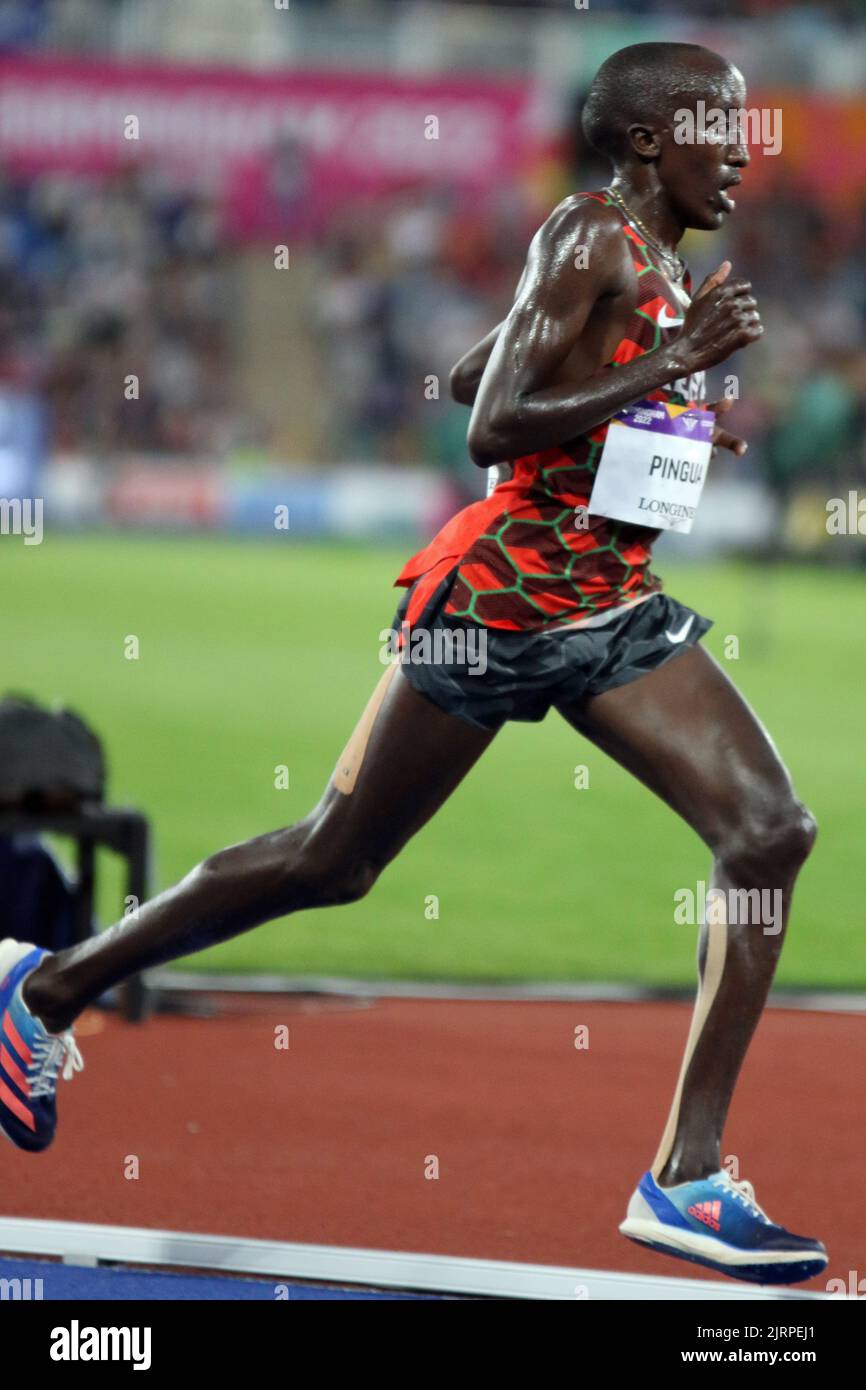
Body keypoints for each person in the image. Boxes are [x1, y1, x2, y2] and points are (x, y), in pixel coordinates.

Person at [0, 42, 826, 1285]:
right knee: (333, 860)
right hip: (495, 610)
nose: (743, 147)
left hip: (607, 606)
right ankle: (48, 987)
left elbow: (465, 378)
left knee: (766, 831)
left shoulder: (653, 262)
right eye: (718, 122)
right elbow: (490, 424)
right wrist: (672, 364)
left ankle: (688, 1178)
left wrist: (615, 368)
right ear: (651, 139)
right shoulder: (587, 235)